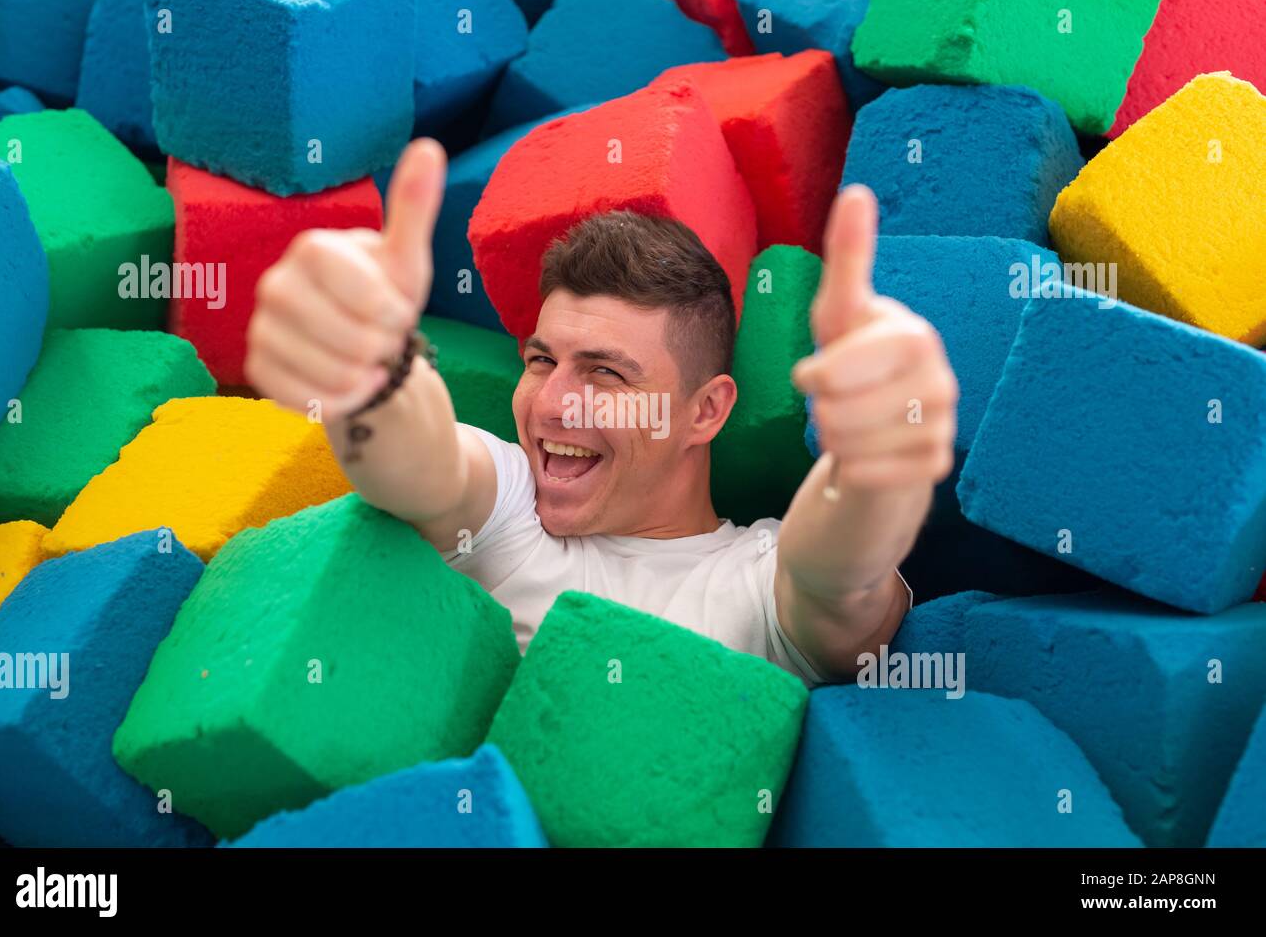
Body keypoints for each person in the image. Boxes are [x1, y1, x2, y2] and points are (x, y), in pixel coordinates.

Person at [245, 139, 959, 687]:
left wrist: (874, 469)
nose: (553, 404)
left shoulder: (763, 580)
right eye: (540, 361)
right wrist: (370, 374)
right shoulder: (508, 508)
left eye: (606, 374)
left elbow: (837, 576)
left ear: (704, 413)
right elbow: (419, 461)